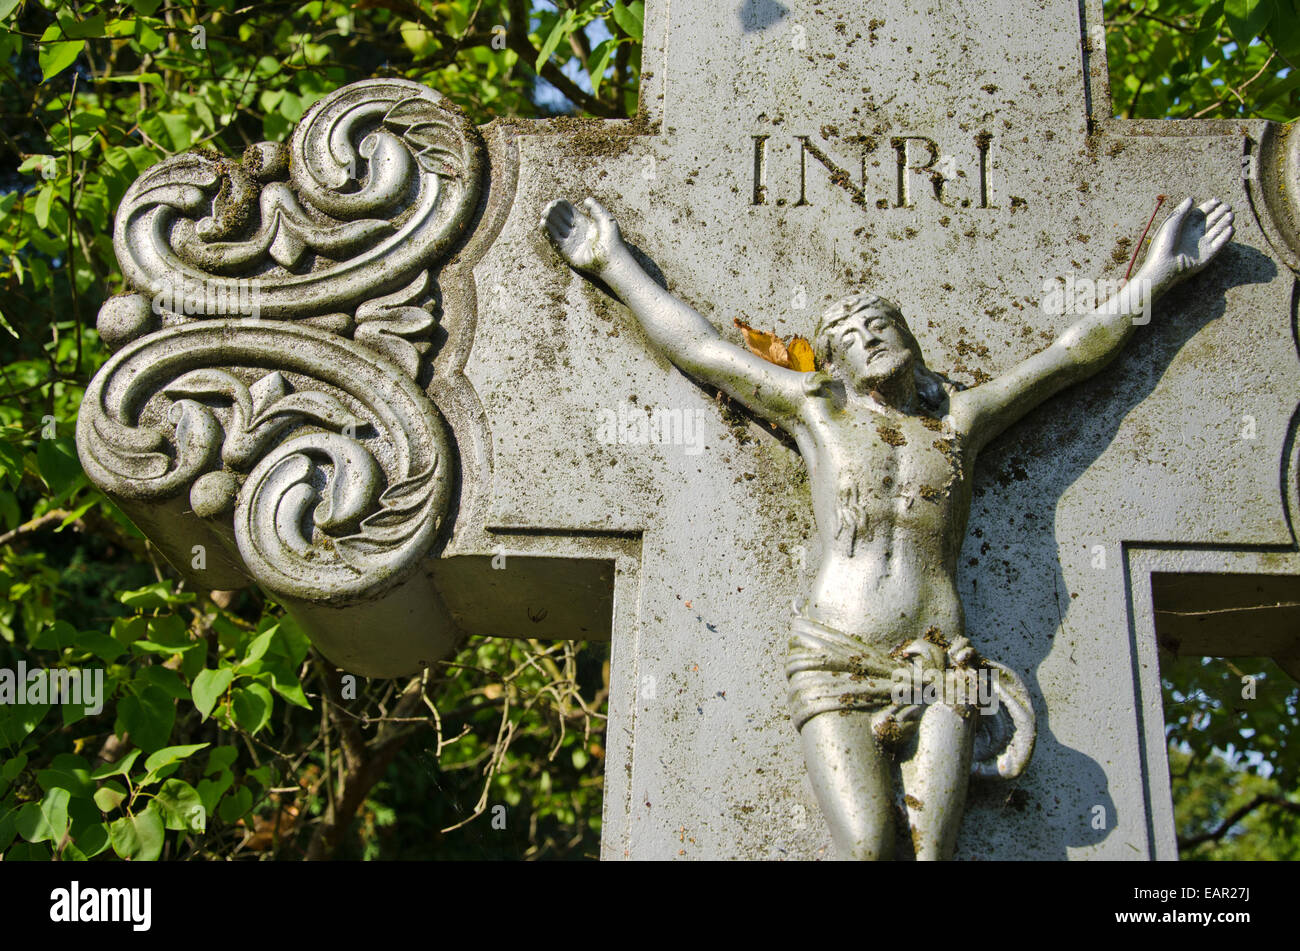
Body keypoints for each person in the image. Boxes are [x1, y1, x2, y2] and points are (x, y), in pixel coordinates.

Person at [540, 195, 1234, 859]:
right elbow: (700, 348)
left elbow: (1072, 355)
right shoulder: (820, 412)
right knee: (867, 844)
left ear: (910, 339)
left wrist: (1158, 277)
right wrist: (613, 264)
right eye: (848, 338)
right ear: (835, 366)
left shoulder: (959, 422)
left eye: (880, 325)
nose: (868, 339)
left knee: (936, 849)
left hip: (938, 659)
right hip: (834, 652)